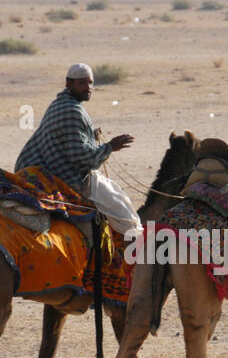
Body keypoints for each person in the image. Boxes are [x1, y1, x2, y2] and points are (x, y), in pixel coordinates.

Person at [15, 63, 142, 237]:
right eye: (82, 83)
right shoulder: (73, 110)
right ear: (69, 84)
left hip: (41, 167)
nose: (88, 88)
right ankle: (135, 242)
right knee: (122, 207)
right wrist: (110, 146)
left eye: (90, 83)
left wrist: (91, 137)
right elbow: (82, 158)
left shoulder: (59, 104)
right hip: (66, 177)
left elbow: (66, 140)